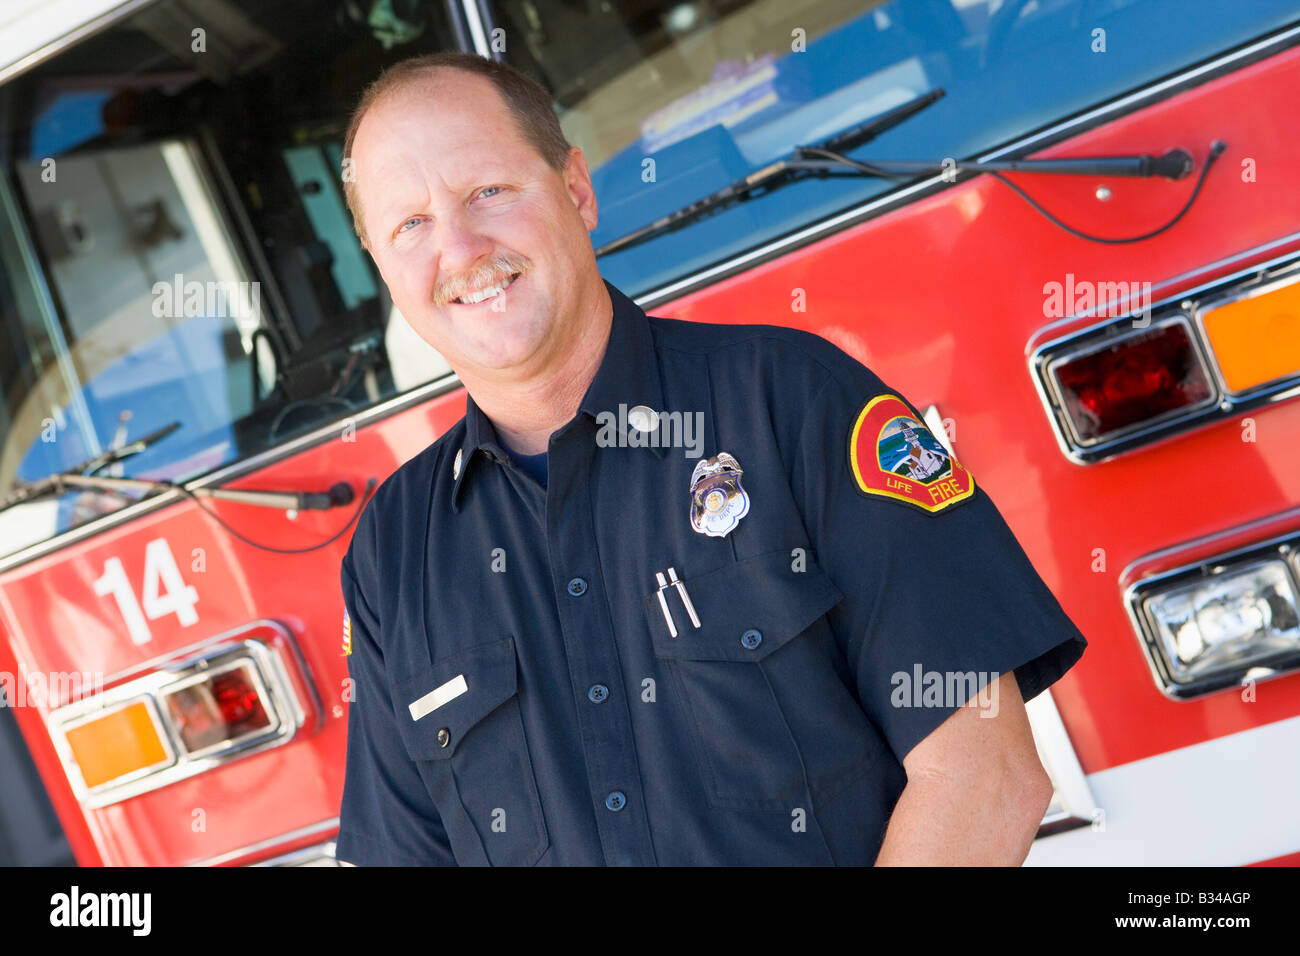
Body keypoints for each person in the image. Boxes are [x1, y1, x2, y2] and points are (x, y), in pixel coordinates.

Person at [334, 51, 1087, 866]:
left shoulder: (791, 401)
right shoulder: (392, 553)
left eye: (489, 190)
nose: (461, 247)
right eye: (409, 224)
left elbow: (984, 772)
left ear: (576, 190)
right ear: (383, 267)